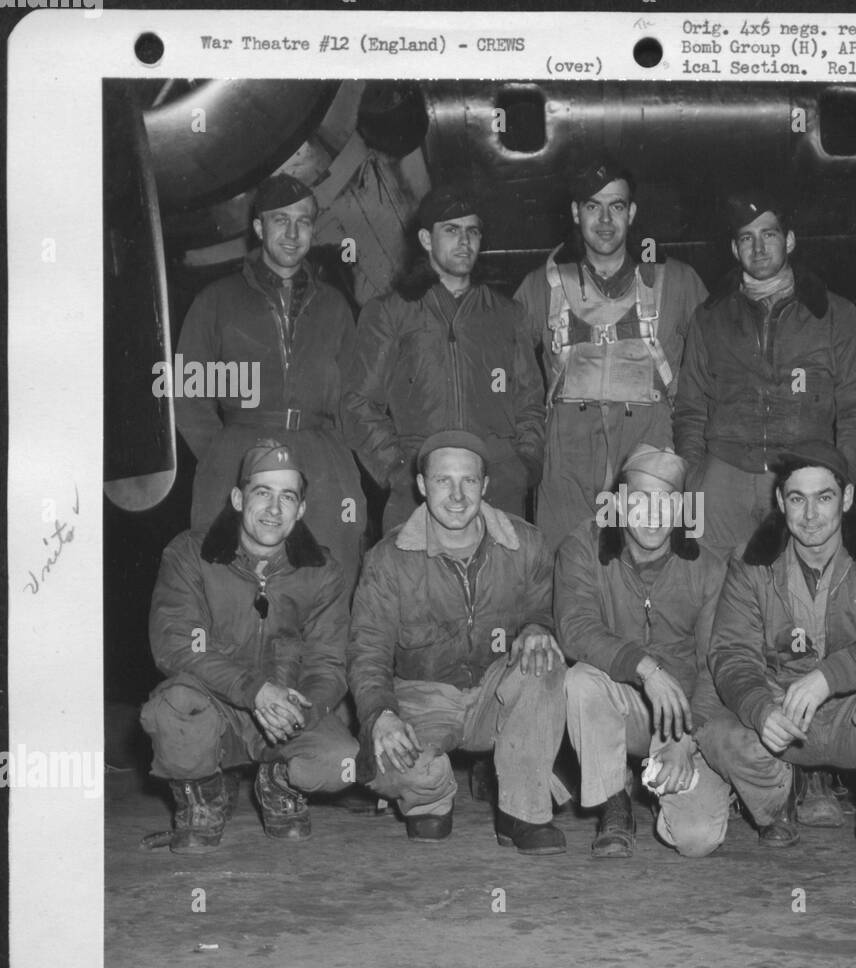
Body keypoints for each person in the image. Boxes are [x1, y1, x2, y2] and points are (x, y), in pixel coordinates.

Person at [700, 441, 856, 864]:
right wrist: (758, 709)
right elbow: (731, 653)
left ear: (846, 498)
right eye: (797, 499)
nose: (810, 515)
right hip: (782, 715)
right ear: (780, 502)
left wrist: (831, 676)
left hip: (852, 717)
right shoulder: (751, 562)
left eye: (824, 498)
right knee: (716, 732)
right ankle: (776, 802)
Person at [347, 430, 569, 853]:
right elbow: (367, 651)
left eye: (468, 481)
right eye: (442, 481)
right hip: (422, 698)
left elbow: (545, 611)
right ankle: (430, 794)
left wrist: (539, 630)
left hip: (494, 696)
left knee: (545, 662)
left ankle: (522, 811)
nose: (456, 495)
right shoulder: (388, 559)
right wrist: (380, 714)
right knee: (390, 763)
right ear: (421, 486)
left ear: (485, 486)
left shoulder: (527, 545)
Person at [140, 440, 357, 853]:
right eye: (263, 492)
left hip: (285, 708)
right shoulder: (190, 554)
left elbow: (329, 663)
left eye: (287, 497)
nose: (275, 509)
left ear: (302, 510)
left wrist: (300, 707)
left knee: (340, 762)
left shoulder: (322, 571)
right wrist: (254, 690)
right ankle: (203, 793)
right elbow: (176, 644)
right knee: (174, 708)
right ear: (239, 498)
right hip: (215, 702)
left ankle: (277, 782)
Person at [174, 174, 368, 586]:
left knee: (329, 581)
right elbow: (189, 395)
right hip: (240, 459)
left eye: (304, 222)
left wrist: (345, 462)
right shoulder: (217, 301)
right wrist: (226, 457)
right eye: (281, 220)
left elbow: (355, 396)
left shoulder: (334, 306)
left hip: (321, 461)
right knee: (232, 588)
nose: (293, 233)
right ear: (260, 228)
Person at [515, 157, 708, 550]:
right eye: (592, 206)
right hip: (566, 456)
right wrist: (527, 455)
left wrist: (689, 461)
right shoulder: (542, 288)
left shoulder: (677, 282)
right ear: (575, 212)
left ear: (632, 212)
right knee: (564, 566)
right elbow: (507, 373)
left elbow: (713, 375)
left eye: (616, 206)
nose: (605, 220)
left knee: (647, 568)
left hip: (649, 448)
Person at [674, 190, 856, 556]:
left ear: (790, 240)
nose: (758, 247)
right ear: (735, 250)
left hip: (801, 477)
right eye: (746, 238)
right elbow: (690, 407)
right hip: (724, 476)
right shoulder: (709, 316)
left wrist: (838, 478)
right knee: (713, 596)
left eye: (768, 234)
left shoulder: (835, 315)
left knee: (793, 596)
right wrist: (693, 479)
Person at [554, 444, 732, 858]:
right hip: (622, 702)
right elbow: (575, 629)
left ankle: (676, 782)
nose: (652, 514)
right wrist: (646, 669)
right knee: (580, 680)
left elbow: (717, 663)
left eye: (666, 502)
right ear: (617, 502)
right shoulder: (583, 547)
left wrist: (685, 740)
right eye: (639, 500)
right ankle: (613, 801)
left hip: (685, 716)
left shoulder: (707, 568)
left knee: (696, 840)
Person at [342, 183, 545, 530]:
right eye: (451, 231)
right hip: (419, 492)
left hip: (497, 488)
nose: (464, 242)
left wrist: (523, 465)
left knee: (500, 584)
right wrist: (398, 470)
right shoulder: (390, 313)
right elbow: (359, 402)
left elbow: (531, 403)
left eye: (473, 232)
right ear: (425, 239)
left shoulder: (509, 315)